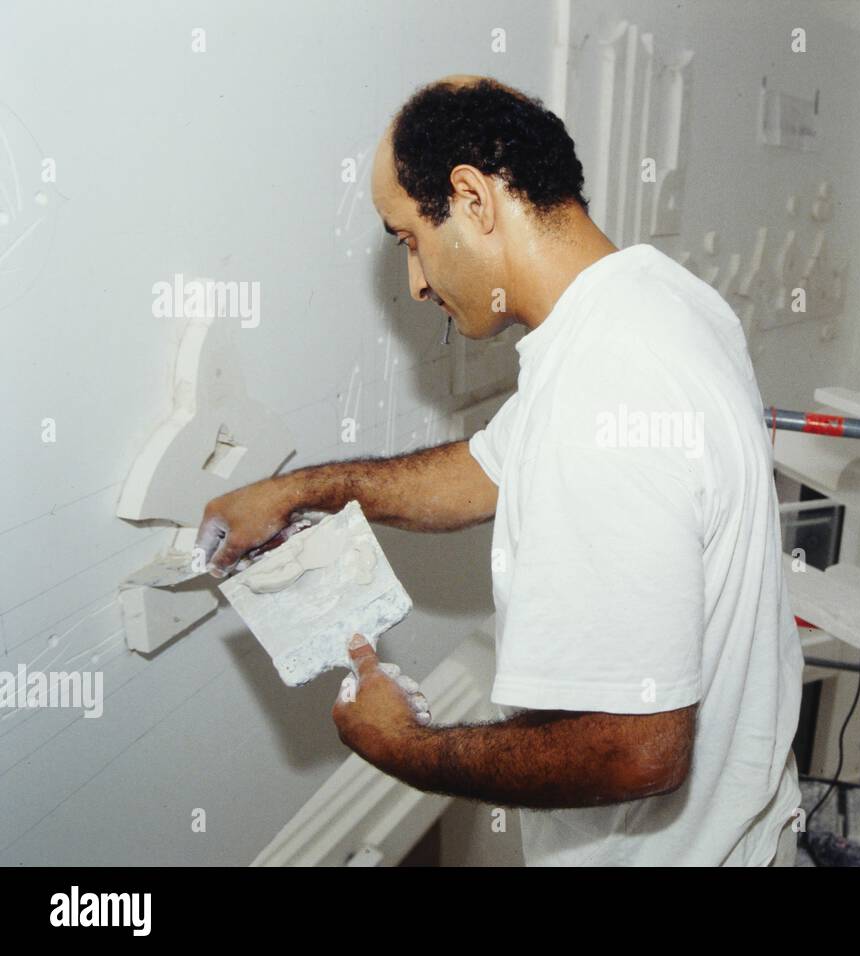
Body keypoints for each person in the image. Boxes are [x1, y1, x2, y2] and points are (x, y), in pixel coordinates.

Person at [198, 75, 803, 865]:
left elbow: (639, 751)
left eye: (409, 238)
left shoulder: (603, 392)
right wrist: (298, 491)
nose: (416, 283)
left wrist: (407, 747)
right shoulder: (654, 301)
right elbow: (482, 472)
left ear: (474, 200)